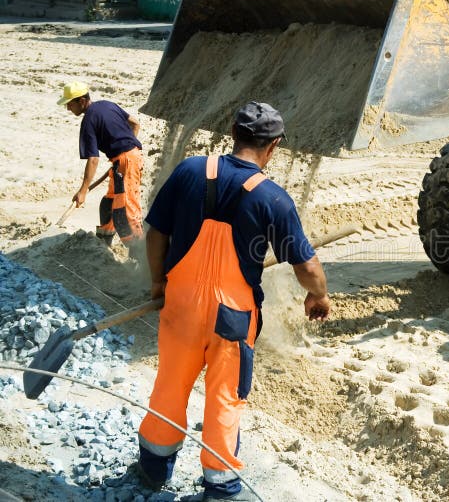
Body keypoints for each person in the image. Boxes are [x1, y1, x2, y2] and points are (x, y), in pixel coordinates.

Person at [110, 101, 330, 501]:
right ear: (275, 145)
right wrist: (319, 295)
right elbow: (308, 266)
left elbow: (156, 233)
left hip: (180, 305)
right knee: (225, 399)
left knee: (169, 388)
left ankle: (153, 469)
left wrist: (159, 282)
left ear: (233, 132)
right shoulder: (273, 199)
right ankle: (221, 487)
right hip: (232, 317)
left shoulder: (190, 171)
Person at [57, 81, 144, 245]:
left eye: (69, 104)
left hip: (126, 161)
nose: (68, 108)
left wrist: (83, 191)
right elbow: (134, 123)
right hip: (126, 159)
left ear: (81, 101)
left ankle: (139, 253)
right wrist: (128, 149)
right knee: (109, 203)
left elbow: (93, 159)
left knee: (125, 213)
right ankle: (104, 242)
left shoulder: (89, 121)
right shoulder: (107, 105)